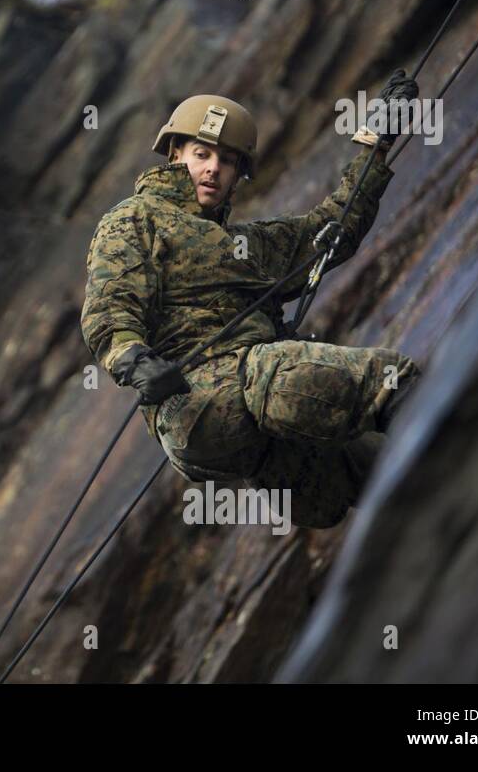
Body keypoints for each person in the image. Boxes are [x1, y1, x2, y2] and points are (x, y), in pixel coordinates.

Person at [80, 72, 423, 528]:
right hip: (199, 403)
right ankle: (441, 409)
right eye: (201, 154)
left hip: (253, 419)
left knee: (374, 469)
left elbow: (328, 232)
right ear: (174, 153)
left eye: (226, 161)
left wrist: (376, 143)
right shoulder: (134, 219)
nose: (211, 169)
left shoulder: (247, 245)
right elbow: (110, 307)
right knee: (374, 381)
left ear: (238, 174)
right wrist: (134, 361)